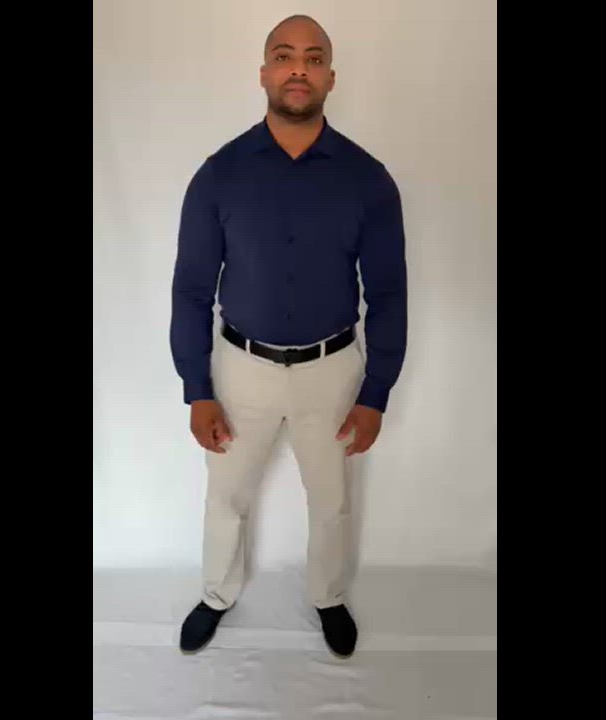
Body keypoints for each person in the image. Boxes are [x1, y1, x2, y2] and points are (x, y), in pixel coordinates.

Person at [170, 14, 407, 657]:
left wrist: (375, 393)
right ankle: (217, 593)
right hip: (240, 368)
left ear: (330, 76)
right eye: (284, 56)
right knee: (227, 495)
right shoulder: (219, 174)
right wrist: (197, 388)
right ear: (264, 73)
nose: (298, 68)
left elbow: (388, 293)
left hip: (332, 371)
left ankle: (327, 596)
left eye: (312, 57)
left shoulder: (368, 179)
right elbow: (191, 290)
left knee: (331, 501)